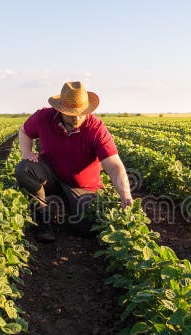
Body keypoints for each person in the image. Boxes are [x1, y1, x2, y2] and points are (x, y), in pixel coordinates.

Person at [15, 81, 134, 242]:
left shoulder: (96, 129)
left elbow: (113, 165)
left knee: (85, 227)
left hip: (83, 187)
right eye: (71, 113)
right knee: (25, 169)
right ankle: (44, 219)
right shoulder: (44, 117)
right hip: (52, 177)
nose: (77, 117)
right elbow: (24, 130)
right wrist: (27, 151)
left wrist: (125, 193)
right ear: (60, 109)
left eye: (81, 112)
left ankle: (66, 204)